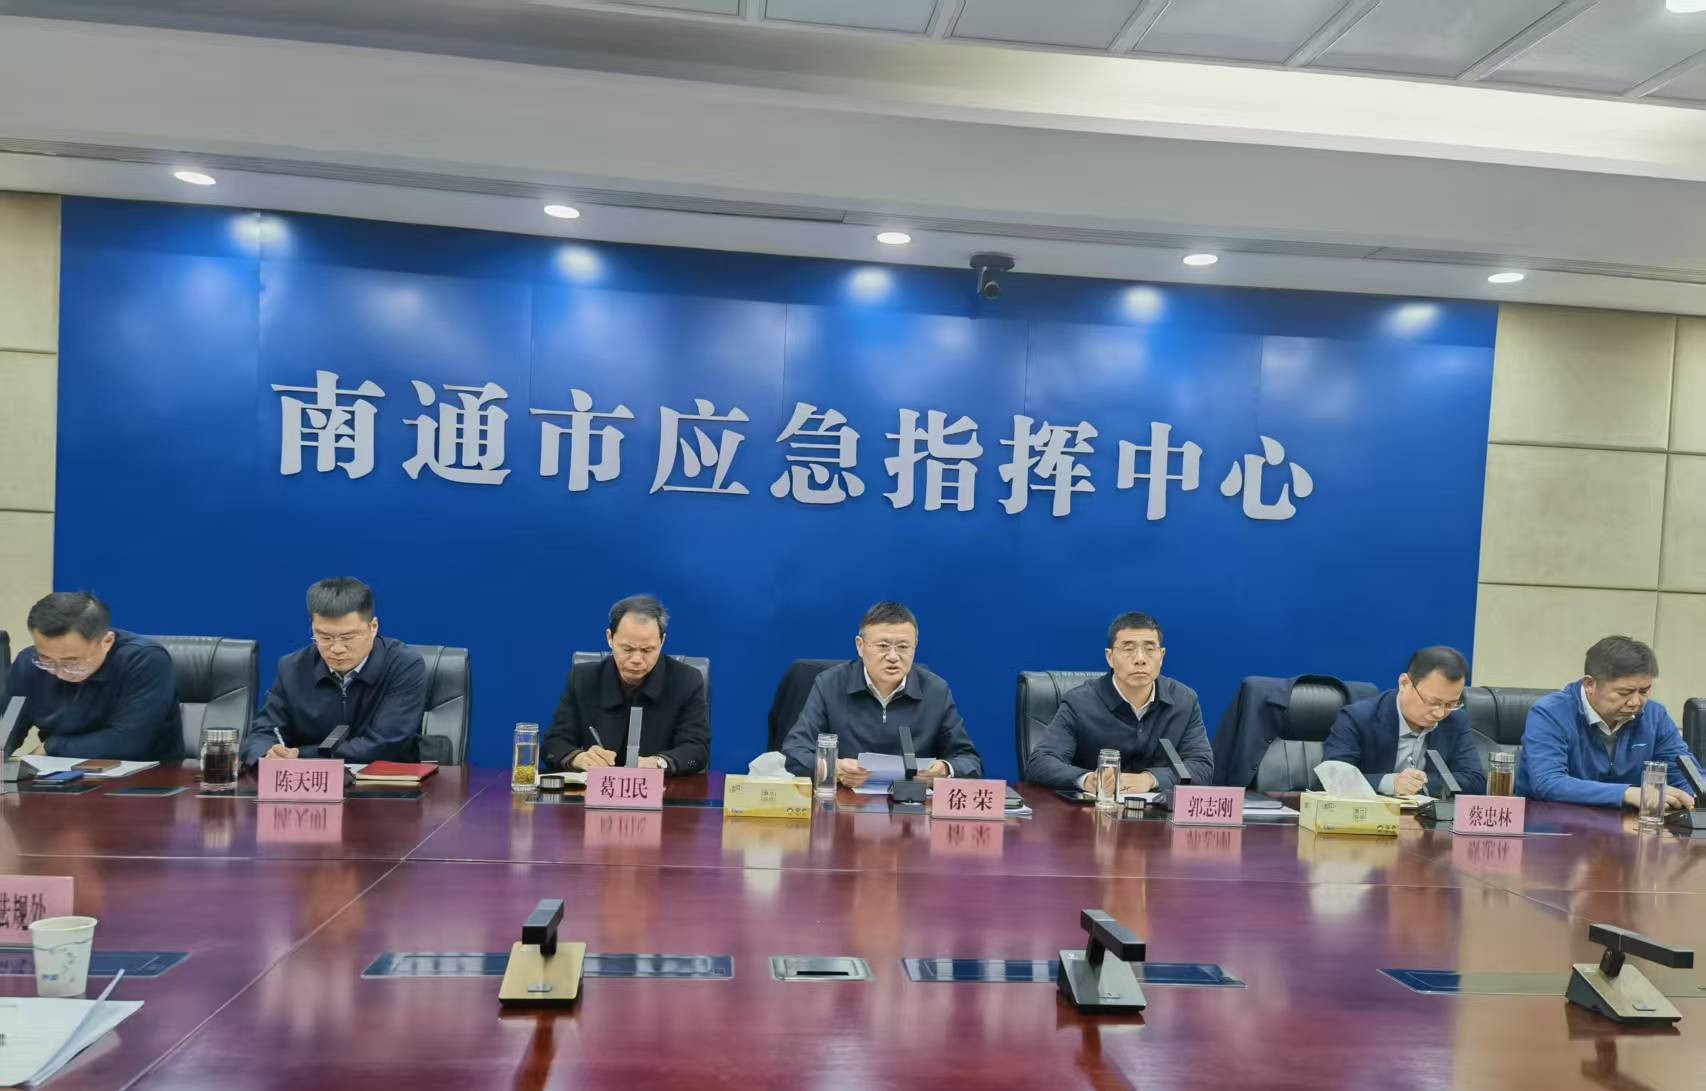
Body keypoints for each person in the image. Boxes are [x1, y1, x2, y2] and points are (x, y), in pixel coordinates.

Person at [781, 601, 982, 785]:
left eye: (903, 647)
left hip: (912, 806)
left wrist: (944, 770)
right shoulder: (830, 684)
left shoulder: (936, 691)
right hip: (844, 803)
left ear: (915, 647)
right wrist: (834, 768)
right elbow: (794, 753)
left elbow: (969, 761)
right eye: (883, 646)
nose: (893, 656)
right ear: (860, 646)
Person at [239, 578, 426, 766]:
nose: (336, 649)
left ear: (373, 627)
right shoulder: (292, 668)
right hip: (308, 781)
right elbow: (261, 735)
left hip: (386, 780)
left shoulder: (403, 665)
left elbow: (386, 743)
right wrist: (269, 753)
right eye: (324, 637)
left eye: (348, 637)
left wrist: (302, 755)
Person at [1025, 612, 1213, 794]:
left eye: (1149, 649)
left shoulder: (1184, 701)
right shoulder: (1080, 702)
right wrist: (1087, 780)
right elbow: (1040, 763)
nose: (1140, 659)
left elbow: (1202, 766)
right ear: (1110, 657)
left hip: (1160, 813)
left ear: (1162, 656)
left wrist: (1150, 779)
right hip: (1093, 811)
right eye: (1128, 649)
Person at [1515, 636, 1698, 811]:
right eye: (1624, 693)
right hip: (1553, 824)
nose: (1635, 702)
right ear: (1590, 684)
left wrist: (1696, 796)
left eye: (1644, 691)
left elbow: (1686, 777)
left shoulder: (1655, 716)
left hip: (1629, 825)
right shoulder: (1550, 713)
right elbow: (1549, 783)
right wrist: (1627, 794)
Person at [2, 591, 182, 761]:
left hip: (146, 774)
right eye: (46, 659)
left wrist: (52, 746)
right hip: (56, 772)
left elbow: (129, 742)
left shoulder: (144, 660)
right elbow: (8, 726)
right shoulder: (28, 663)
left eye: (72, 661)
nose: (59, 672)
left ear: (107, 641)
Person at [542, 595, 710, 775]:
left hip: (662, 789)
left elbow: (697, 752)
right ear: (610, 638)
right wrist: (579, 758)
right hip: (597, 789)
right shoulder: (584, 679)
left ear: (662, 641)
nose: (637, 659)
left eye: (647, 650)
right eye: (627, 649)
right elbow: (553, 745)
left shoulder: (686, 680)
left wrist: (659, 763)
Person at [1322, 646, 1486, 796]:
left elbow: (1476, 781)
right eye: (1433, 702)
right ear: (1404, 683)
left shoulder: (1455, 721)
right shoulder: (1357, 718)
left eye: (1451, 704)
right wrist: (1390, 783)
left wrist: (1420, 783)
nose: (1440, 713)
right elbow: (1330, 779)